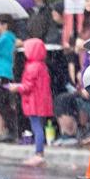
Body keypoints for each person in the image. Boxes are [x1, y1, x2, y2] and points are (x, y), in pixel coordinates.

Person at [7, 38, 53, 166]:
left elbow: (28, 86)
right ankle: (39, 153)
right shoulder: (42, 66)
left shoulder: (32, 67)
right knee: (39, 126)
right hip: (41, 100)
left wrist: (16, 87)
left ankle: (39, 154)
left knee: (36, 127)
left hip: (34, 102)